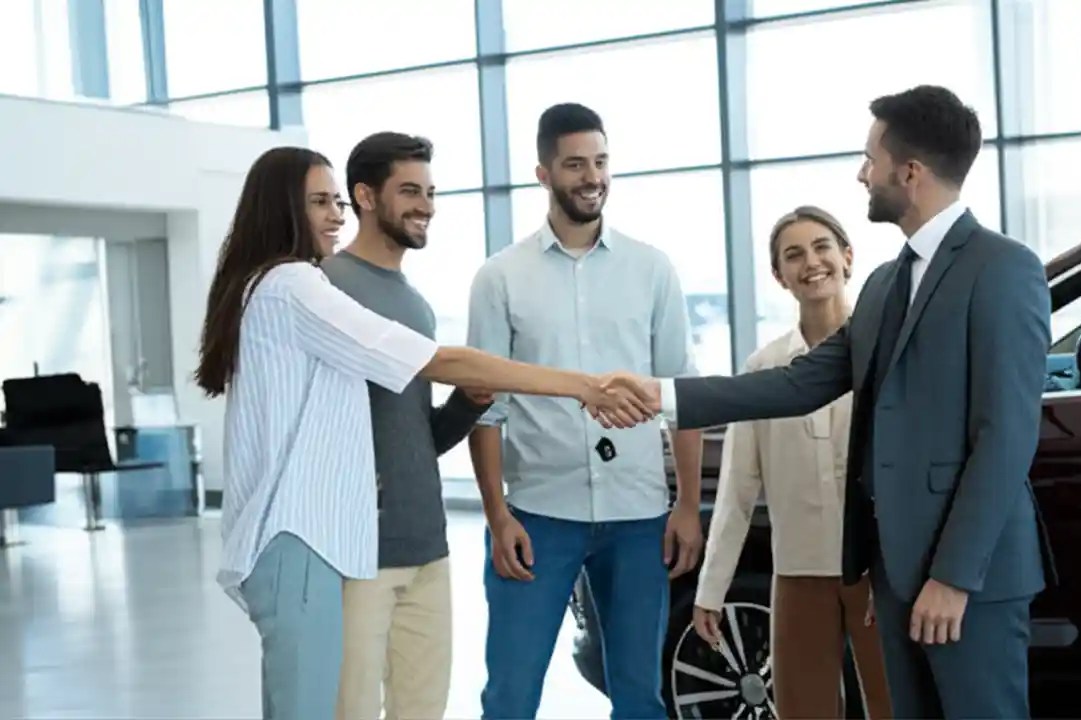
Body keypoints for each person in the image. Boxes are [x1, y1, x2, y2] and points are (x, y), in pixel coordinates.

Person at [602, 85, 1054, 718]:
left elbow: (1005, 436)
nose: (863, 173)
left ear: (910, 172)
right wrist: (663, 395)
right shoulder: (885, 283)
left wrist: (953, 578)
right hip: (894, 576)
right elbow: (801, 381)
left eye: (871, 158)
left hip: (968, 580)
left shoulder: (1004, 268)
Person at [197, 145, 651, 720]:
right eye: (318, 202)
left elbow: (405, 425)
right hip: (306, 539)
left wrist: (466, 401)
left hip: (331, 540)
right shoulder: (298, 286)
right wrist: (581, 385)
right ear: (281, 208)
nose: (333, 214)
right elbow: (437, 361)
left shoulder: (277, 288)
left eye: (334, 200)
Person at [466, 102, 704, 719]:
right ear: (543, 173)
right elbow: (484, 408)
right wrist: (497, 517)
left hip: (638, 512)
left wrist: (685, 507)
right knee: (510, 696)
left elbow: (681, 394)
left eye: (600, 161)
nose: (591, 176)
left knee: (638, 696)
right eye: (575, 164)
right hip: (539, 515)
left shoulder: (652, 269)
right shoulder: (500, 277)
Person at [691, 206, 892, 719]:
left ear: (847, 257)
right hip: (800, 570)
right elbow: (737, 488)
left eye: (822, 247)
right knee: (804, 711)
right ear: (780, 276)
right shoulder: (763, 370)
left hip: (879, 571)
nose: (811, 262)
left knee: (895, 706)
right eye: (794, 255)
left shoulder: (888, 354)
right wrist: (710, 590)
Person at [319, 132, 481, 720]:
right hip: (356, 553)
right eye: (410, 190)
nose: (427, 205)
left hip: (427, 547)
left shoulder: (416, 304)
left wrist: (468, 403)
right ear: (364, 195)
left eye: (431, 192)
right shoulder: (325, 286)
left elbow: (418, 437)